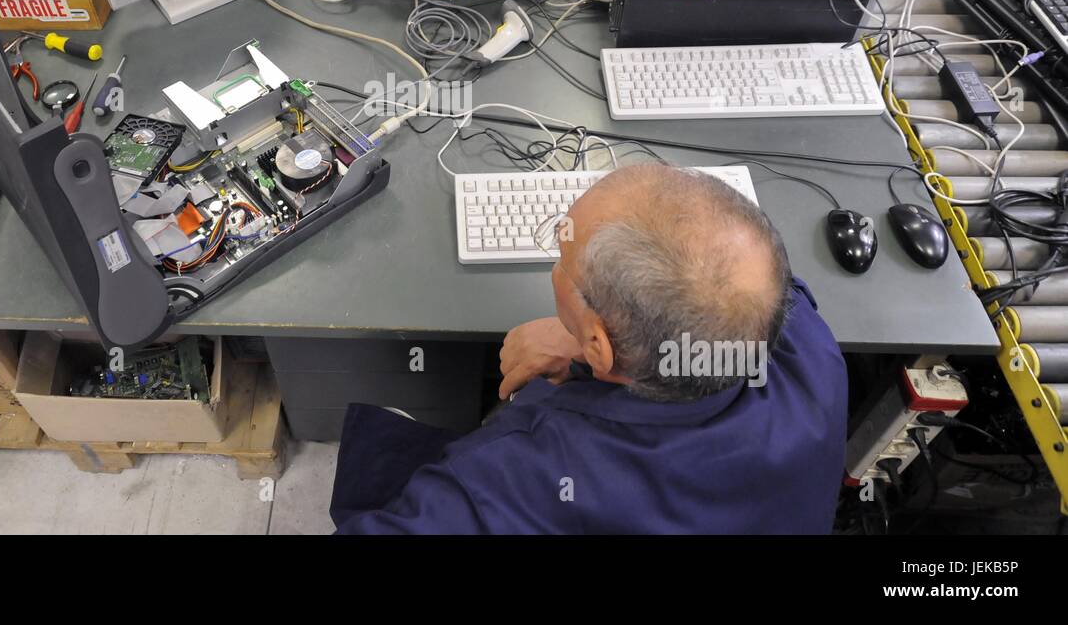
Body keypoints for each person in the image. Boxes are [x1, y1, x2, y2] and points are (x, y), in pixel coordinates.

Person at [331, 165, 848, 534]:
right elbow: (726, 274)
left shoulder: (520, 478)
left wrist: (591, 340)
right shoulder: (808, 347)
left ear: (601, 346)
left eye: (563, 248)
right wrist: (586, 337)